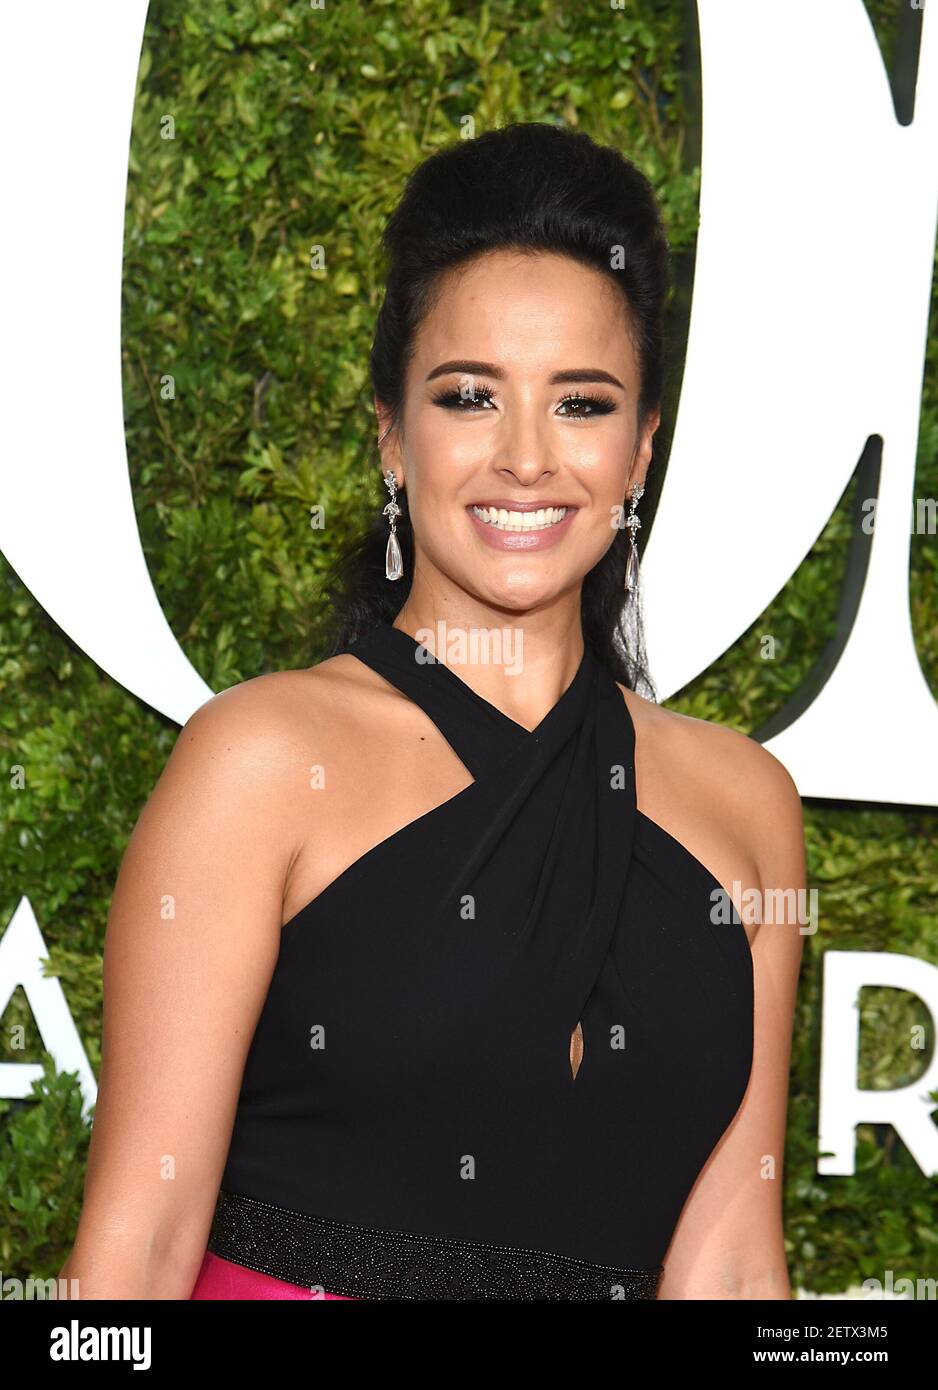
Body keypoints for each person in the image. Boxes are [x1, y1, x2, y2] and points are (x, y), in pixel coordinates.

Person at [59, 122, 805, 1301]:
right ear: (391, 439)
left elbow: (731, 1268)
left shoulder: (744, 802)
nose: (525, 458)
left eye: (581, 404)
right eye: (468, 396)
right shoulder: (260, 759)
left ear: (639, 453)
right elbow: (136, 1253)